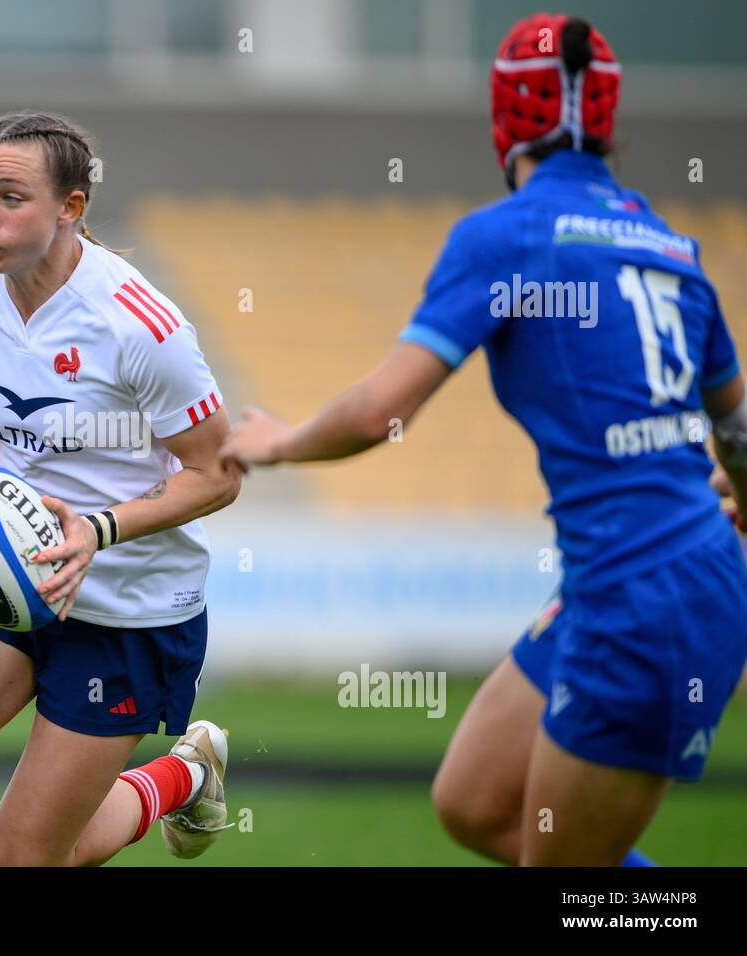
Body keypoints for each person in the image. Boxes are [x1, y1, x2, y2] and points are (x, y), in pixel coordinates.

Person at [220, 14, 747, 866]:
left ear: (507, 120)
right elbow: (741, 428)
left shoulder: (505, 235)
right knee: (473, 800)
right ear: (609, 122)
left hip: (644, 596)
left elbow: (377, 412)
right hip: (643, 577)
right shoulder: (672, 249)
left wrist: (280, 442)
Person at [0, 110, 243, 867]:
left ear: (71, 208)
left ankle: (182, 774)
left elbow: (220, 473)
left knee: (21, 861)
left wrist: (97, 530)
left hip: (128, 609)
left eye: (9, 197)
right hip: (3, 574)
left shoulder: (139, 325)